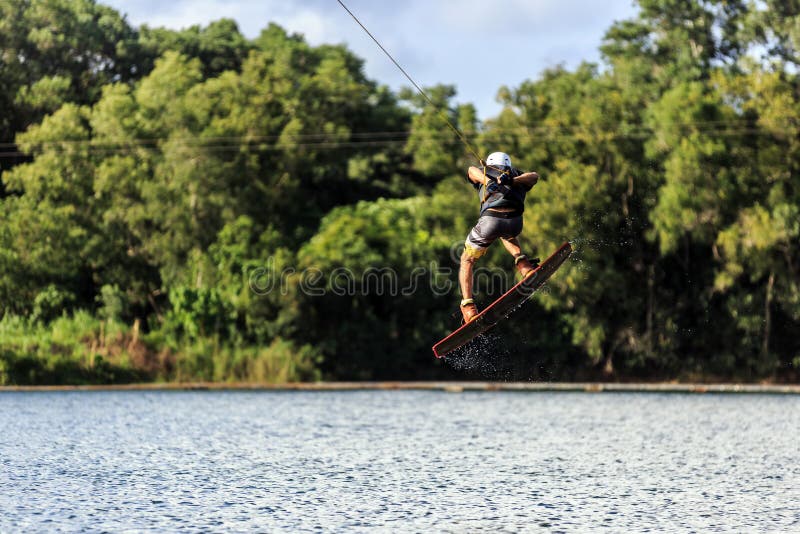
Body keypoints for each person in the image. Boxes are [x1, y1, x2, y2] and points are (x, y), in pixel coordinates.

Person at [459, 151, 540, 323]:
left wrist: (491, 180)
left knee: (466, 260)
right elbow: (534, 176)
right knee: (506, 235)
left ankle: (468, 308)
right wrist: (510, 180)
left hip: (490, 222)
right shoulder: (516, 173)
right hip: (514, 224)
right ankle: (523, 264)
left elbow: (471, 170)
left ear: (489, 163)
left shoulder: (485, 170)